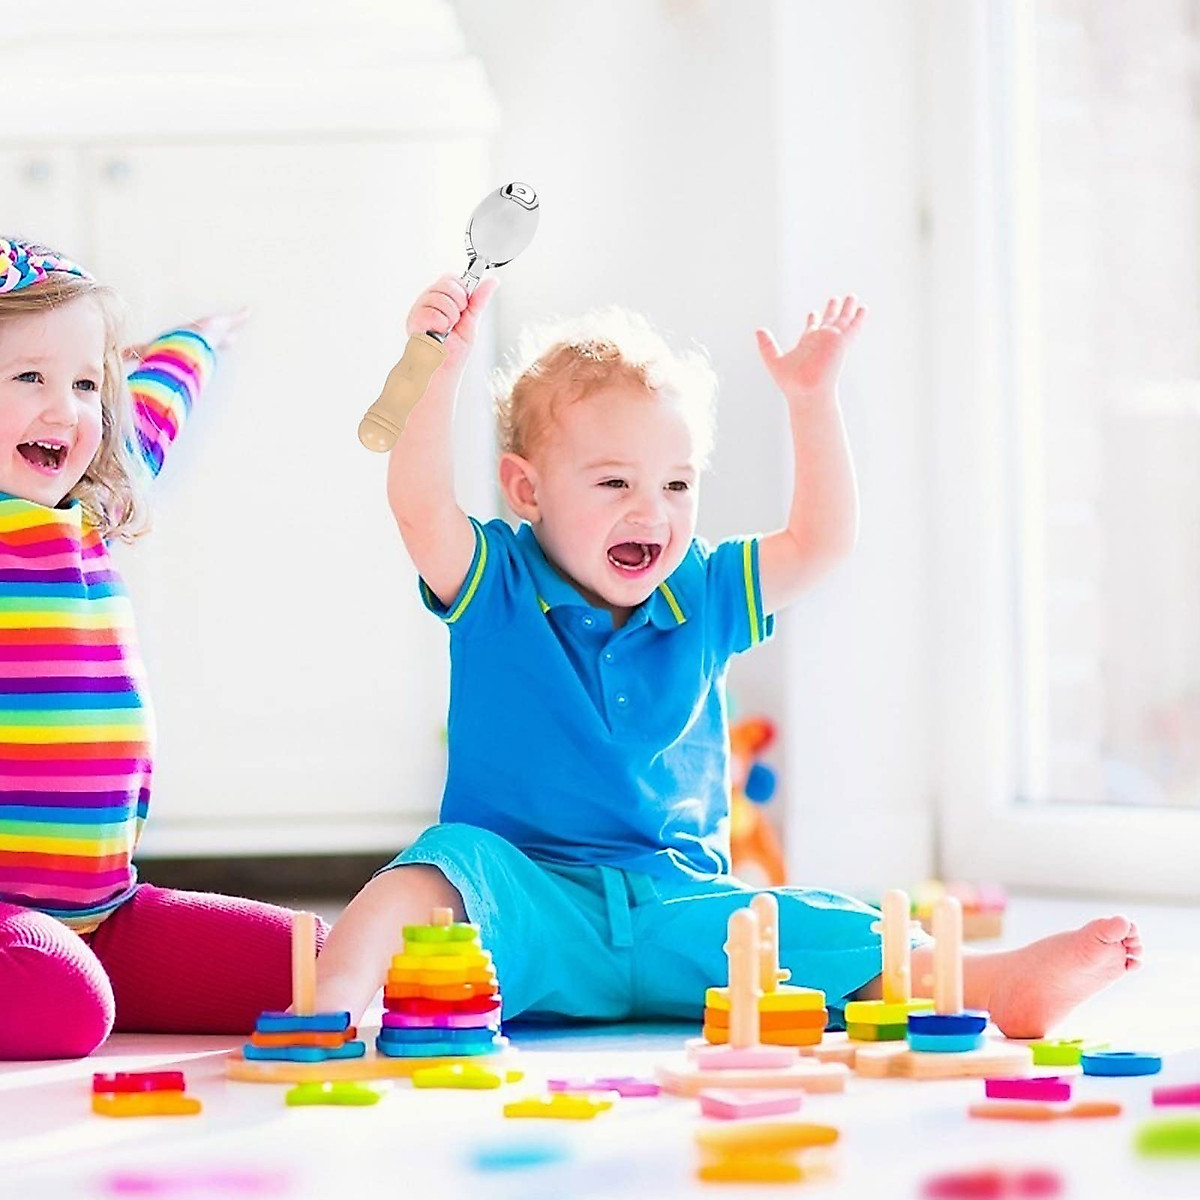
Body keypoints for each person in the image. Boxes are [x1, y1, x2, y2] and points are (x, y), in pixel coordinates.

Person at [315, 273, 1140, 1038]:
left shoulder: (704, 588)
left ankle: (995, 987)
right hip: (529, 904)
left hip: (685, 905)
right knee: (425, 877)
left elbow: (820, 543)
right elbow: (420, 507)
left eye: (677, 484)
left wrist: (812, 402)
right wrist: (437, 367)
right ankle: (330, 1012)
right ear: (527, 491)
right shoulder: (495, 581)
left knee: (825, 927)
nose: (653, 510)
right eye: (613, 484)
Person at [0, 237, 326, 1059]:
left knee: (323, 965)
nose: (66, 409)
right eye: (30, 377)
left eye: (83, 384)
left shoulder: (96, 506)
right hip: (14, 925)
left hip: (104, 917)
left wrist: (202, 337)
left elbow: (153, 401)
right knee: (61, 1001)